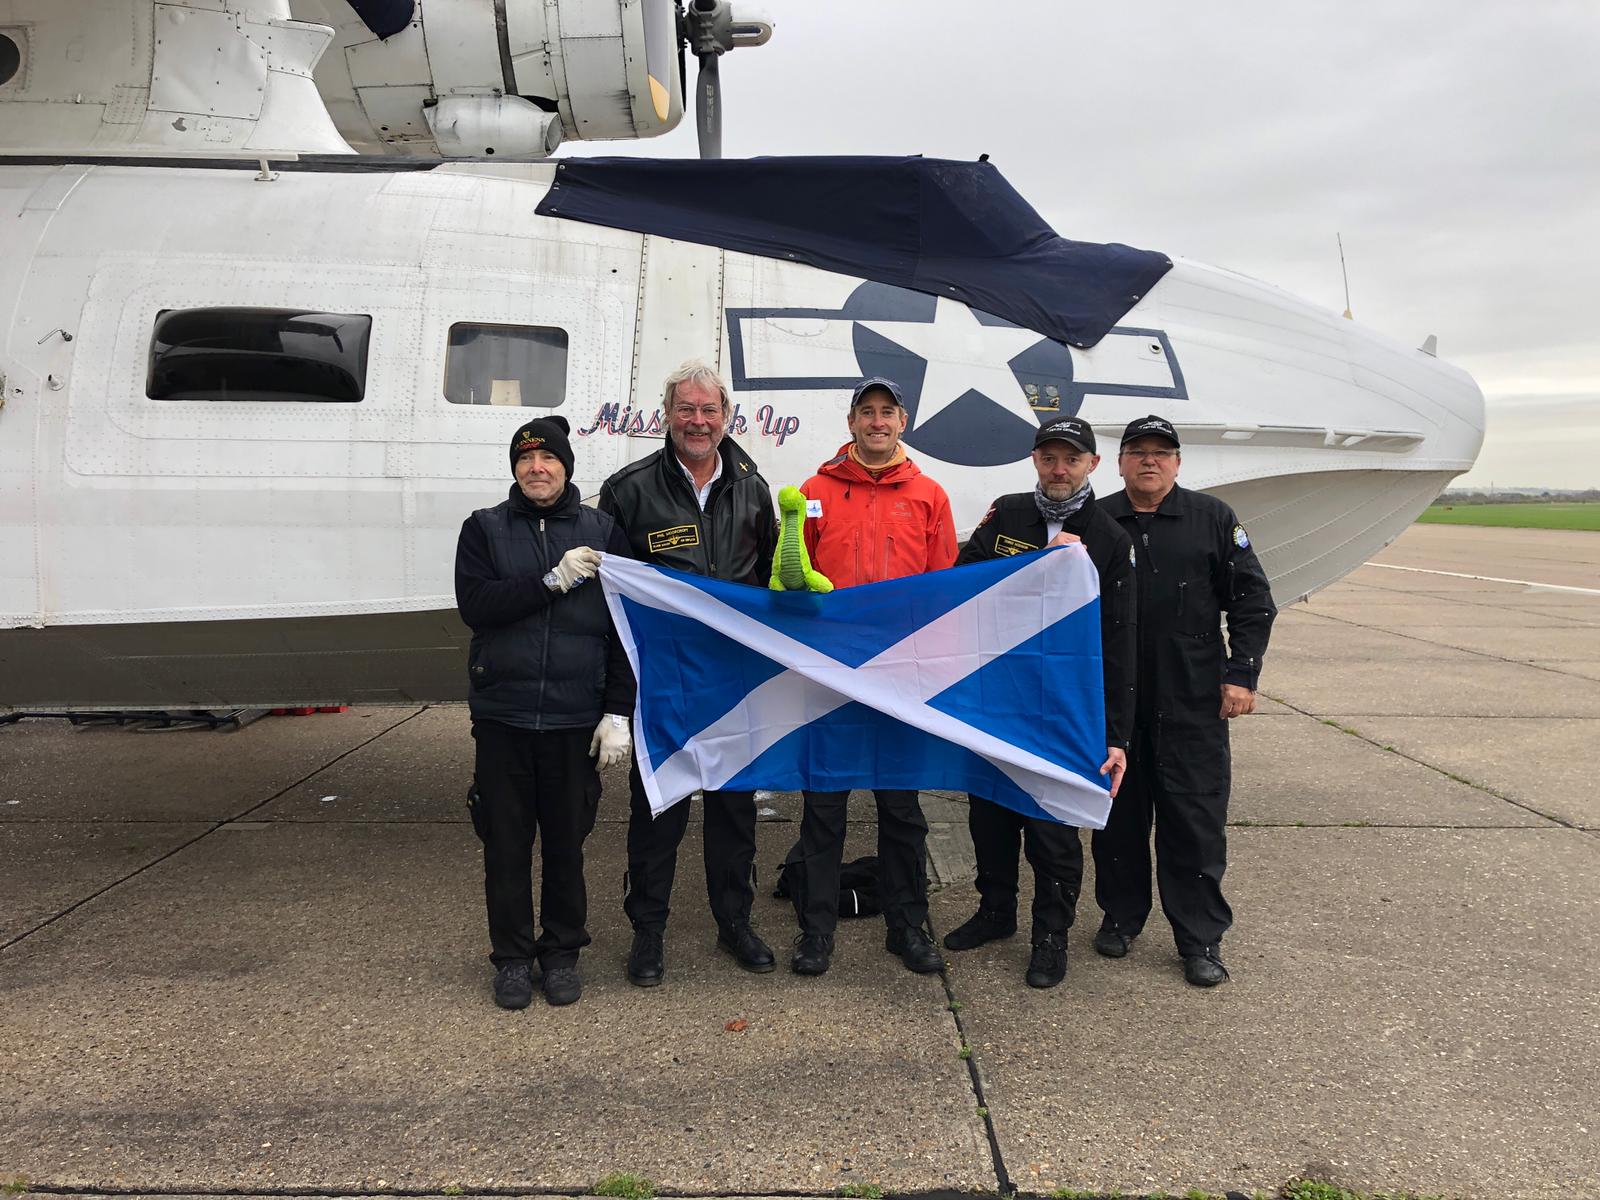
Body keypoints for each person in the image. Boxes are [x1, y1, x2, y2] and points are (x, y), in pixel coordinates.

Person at [598, 359, 779, 986]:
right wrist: (617, 703)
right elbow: (612, 602)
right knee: (657, 811)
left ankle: (736, 922)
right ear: (667, 414)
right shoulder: (628, 491)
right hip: (665, 682)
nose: (697, 422)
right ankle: (648, 934)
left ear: (725, 416)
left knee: (734, 814)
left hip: (733, 681)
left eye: (709, 410)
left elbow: (770, 582)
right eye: (685, 410)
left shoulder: (753, 487)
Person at [941, 416, 1137, 988]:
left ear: (1092, 466)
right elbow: (962, 580)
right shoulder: (1007, 513)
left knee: (1051, 828)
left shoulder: (1108, 538)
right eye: (1049, 457)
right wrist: (1032, 565)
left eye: (1071, 459)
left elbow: (1121, 641)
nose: (1059, 469)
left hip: (1064, 712)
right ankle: (995, 911)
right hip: (998, 699)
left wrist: (1115, 735)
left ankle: (1051, 935)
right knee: (990, 816)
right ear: (1034, 459)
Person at [454, 416, 636, 1010]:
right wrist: (552, 580)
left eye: (548, 459)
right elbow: (477, 606)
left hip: (571, 719)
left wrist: (617, 712)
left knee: (565, 844)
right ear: (515, 468)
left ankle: (561, 953)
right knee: (505, 845)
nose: (537, 469)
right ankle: (511, 958)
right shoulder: (482, 530)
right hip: (504, 717)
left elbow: (623, 632)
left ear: (565, 466)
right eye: (526, 460)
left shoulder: (603, 530)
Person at [1091, 414, 1277, 986]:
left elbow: (1251, 600)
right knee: (1118, 817)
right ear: (1119, 461)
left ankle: (1199, 938)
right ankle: (1121, 918)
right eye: (1138, 451)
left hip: (1192, 697)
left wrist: (1241, 672)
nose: (1150, 460)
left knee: (1193, 819)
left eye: (1161, 452)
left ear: (1177, 462)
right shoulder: (1095, 521)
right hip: (1114, 700)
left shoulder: (1212, 519)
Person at [784, 376, 959, 977]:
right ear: (852, 423)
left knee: (902, 809)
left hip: (900, 677)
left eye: (888, 412)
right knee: (824, 806)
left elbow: (942, 591)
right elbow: (792, 578)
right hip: (831, 674)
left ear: (902, 422)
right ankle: (816, 929)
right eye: (867, 412)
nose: (877, 422)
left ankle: (907, 927)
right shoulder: (814, 490)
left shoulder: (930, 495)